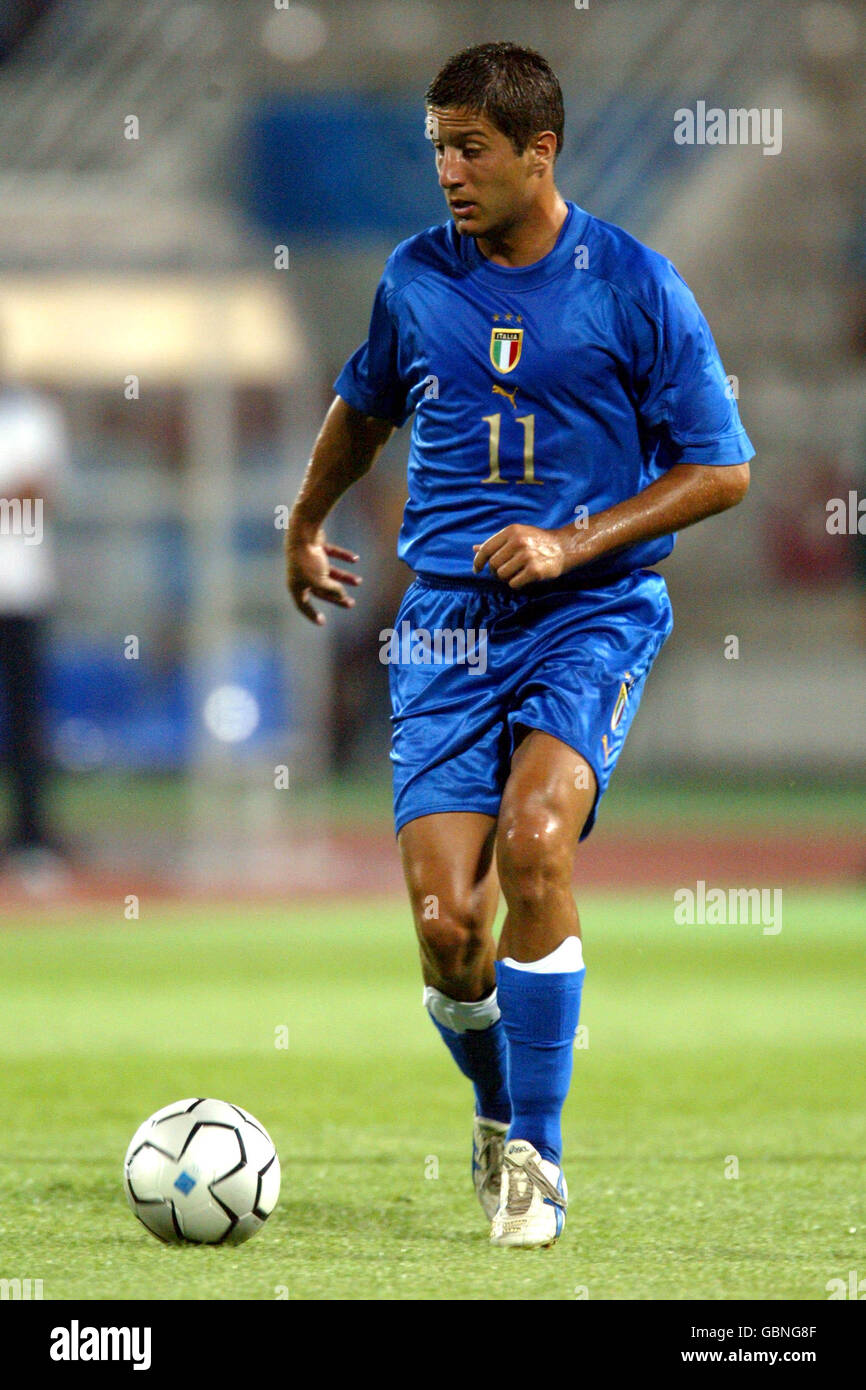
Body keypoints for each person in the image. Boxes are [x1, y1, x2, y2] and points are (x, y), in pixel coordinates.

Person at [285, 42, 753, 1248]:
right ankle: (498, 1113)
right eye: (436, 145)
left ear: (536, 152)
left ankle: (538, 1158)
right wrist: (303, 518)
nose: (446, 169)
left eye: (469, 148)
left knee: (537, 839)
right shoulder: (413, 277)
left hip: (586, 611)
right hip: (440, 627)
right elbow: (366, 402)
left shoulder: (634, 283)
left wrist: (570, 541)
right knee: (450, 935)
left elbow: (721, 469)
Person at [0, 375, 68, 884]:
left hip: (20, 591)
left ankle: (30, 837)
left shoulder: (31, 416)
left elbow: (32, 501)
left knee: (27, 722)